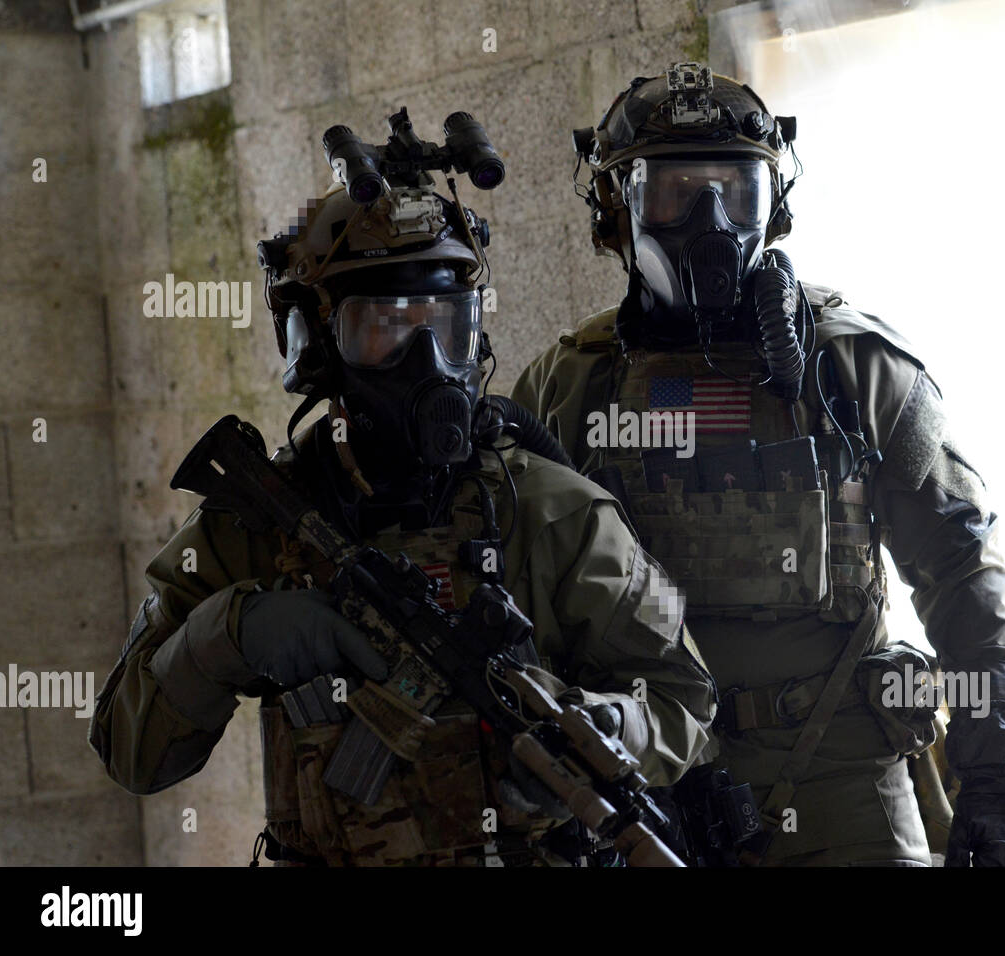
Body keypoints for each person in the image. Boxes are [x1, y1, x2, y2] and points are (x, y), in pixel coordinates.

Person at [88, 109, 716, 867]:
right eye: (384, 325)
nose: (427, 359)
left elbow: (681, 702)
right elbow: (132, 756)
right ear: (319, 343)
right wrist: (226, 635)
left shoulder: (551, 513)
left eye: (446, 326)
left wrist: (602, 728)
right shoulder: (253, 524)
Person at [511, 64, 1005, 866]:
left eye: (736, 190)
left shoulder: (852, 364)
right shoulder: (568, 383)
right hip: (646, 785)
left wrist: (997, 784)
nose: (710, 221)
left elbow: (964, 566)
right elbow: (519, 594)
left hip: (841, 775)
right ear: (617, 210)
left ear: (776, 203)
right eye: (675, 192)